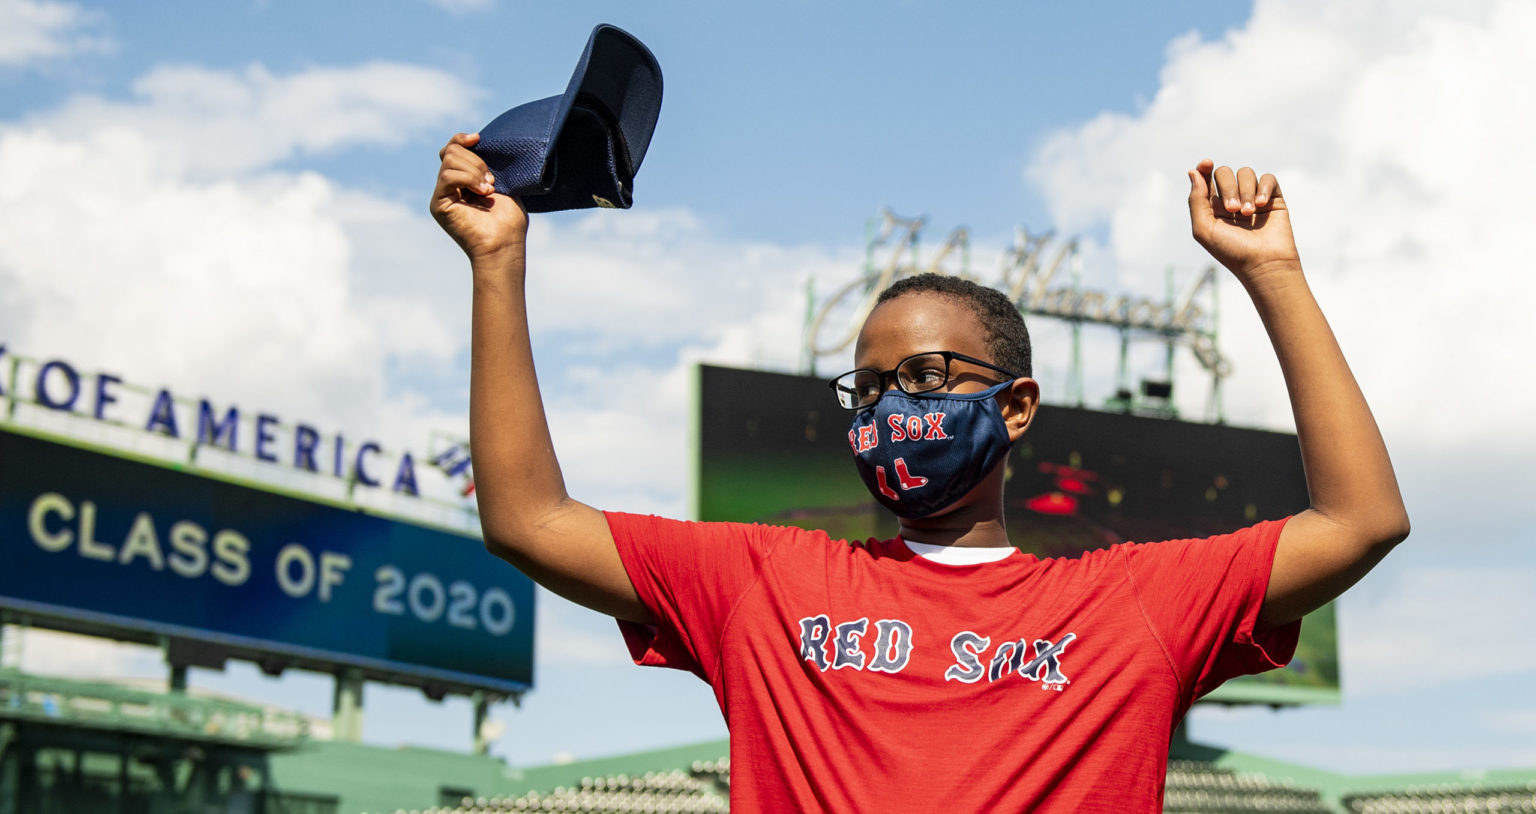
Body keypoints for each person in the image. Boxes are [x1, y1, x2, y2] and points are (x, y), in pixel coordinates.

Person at [430, 134, 1409, 813]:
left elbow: (1362, 518)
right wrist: (495, 263)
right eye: (868, 387)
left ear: (1017, 407)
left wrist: (1272, 276)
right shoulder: (766, 583)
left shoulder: (1132, 604)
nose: (895, 406)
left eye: (929, 376)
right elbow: (529, 519)